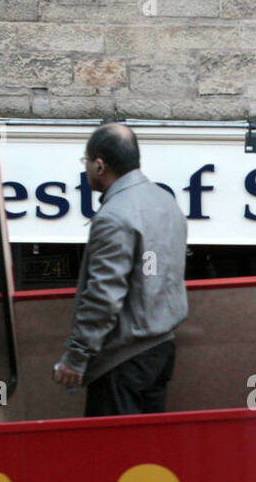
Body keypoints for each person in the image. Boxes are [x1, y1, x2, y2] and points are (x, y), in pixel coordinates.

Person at [53, 122, 188, 416]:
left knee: (114, 456)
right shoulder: (165, 201)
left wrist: (76, 357)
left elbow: (104, 295)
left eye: (86, 161)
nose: (86, 168)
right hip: (161, 351)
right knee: (145, 451)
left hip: (123, 361)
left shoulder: (114, 216)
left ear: (100, 166)